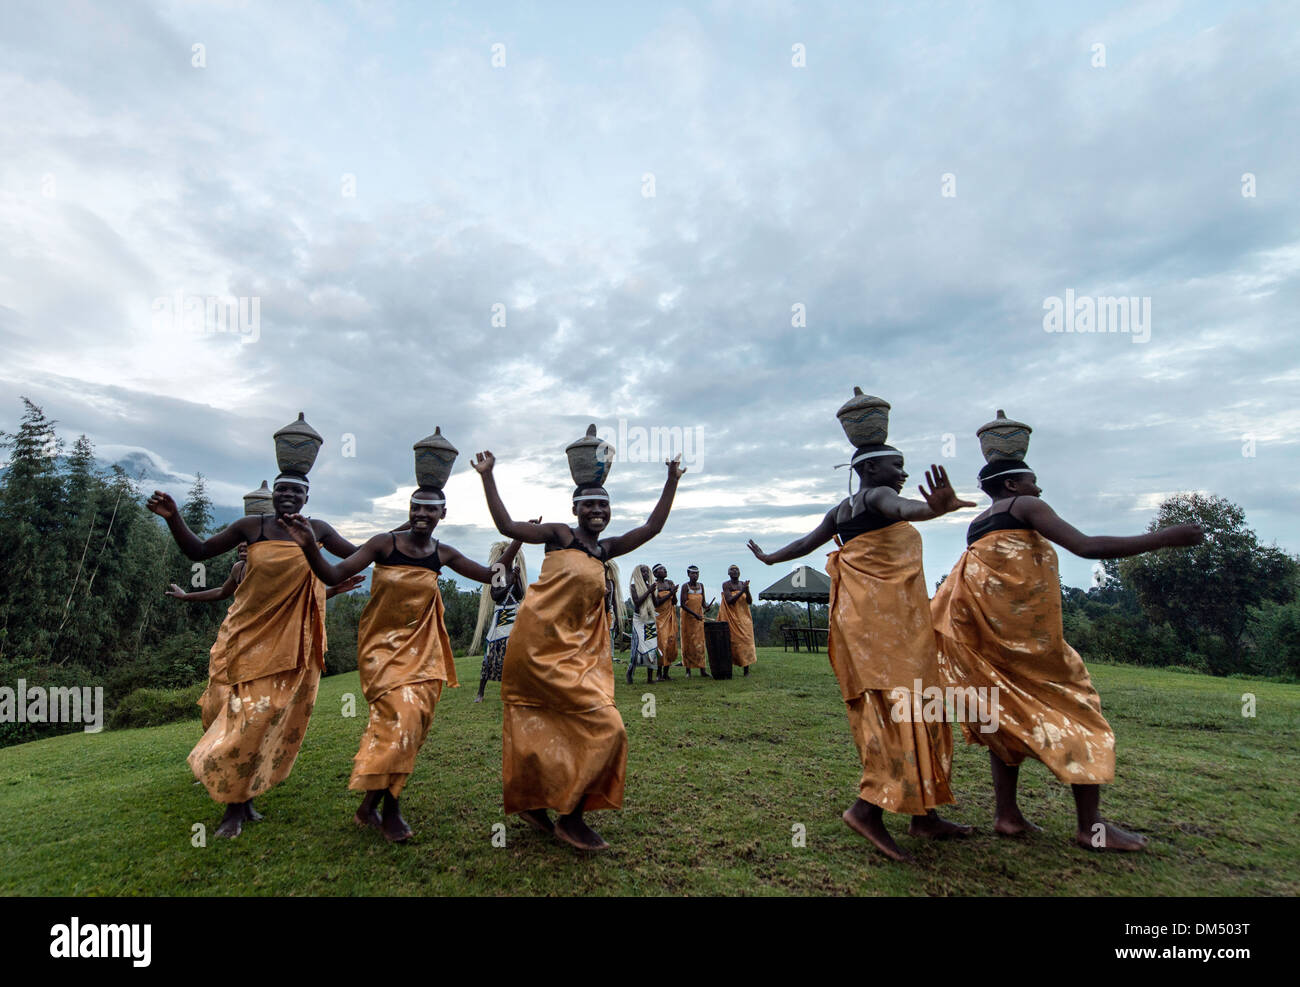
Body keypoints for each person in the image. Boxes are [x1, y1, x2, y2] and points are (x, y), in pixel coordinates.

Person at [931, 455, 1204, 852]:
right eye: (1032, 481)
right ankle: (1091, 829)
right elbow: (1086, 546)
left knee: (1003, 723)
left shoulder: (978, 525)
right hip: (1032, 650)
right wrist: (1163, 538)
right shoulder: (1025, 506)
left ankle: (1007, 816)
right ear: (1011, 486)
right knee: (1082, 714)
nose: (1039, 489)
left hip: (994, 644)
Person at [747, 443, 975, 862]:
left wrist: (768, 558)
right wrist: (935, 511)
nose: (903, 472)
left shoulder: (841, 510)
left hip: (878, 625)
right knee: (904, 710)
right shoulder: (876, 496)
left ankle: (923, 816)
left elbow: (803, 544)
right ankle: (866, 811)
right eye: (896, 465)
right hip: (884, 629)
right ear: (870, 468)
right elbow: (906, 507)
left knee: (910, 708)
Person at [473, 446, 685, 851]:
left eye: (602, 505)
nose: (596, 511)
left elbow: (652, 528)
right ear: (575, 509)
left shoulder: (605, 552)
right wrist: (487, 476)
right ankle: (563, 817)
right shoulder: (558, 536)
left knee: (604, 725)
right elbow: (506, 524)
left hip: (575, 656)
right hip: (535, 650)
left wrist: (671, 481)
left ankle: (552, 807)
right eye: (588, 505)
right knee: (540, 724)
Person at [278, 487, 511, 842]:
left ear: (442, 515)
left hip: (423, 653)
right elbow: (332, 573)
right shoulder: (383, 544)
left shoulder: (441, 553)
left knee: (408, 727)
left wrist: (515, 545)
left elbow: (489, 576)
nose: (421, 514)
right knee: (401, 720)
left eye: (429, 510)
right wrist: (310, 545)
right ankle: (392, 812)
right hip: (381, 652)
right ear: (409, 509)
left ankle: (368, 807)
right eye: (415, 507)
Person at [147, 474, 357, 839]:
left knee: (269, 716)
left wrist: (412, 529)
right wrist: (173, 518)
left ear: (307, 497)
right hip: (248, 639)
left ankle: (243, 798)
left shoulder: (318, 529)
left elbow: (366, 554)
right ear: (273, 496)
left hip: (293, 642)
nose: (288, 495)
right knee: (253, 717)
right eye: (282, 489)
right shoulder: (251, 526)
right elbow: (198, 551)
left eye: (296, 490)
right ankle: (232, 808)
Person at [165, 544, 361, 729]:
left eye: (248, 540)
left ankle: (250, 730)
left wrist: (333, 590)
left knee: (257, 687)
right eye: (239, 541)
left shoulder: (274, 571)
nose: (242, 545)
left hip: (262, 638)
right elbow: (222, 592)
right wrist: (186, 596)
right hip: (232, 634)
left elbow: (301, 600)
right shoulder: (238, 569)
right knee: (220, 686)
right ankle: (220, 729)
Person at [470, 530, 533, 703]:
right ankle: (480, 693)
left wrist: (517, 578)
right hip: (501, 617)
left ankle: (518, 687)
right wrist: (510, 582)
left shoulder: (515, 573)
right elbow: (495, 595)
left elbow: (520, 595)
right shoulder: (498, 574)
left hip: (514, 614)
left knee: (517, 651)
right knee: (491, 653)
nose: (510, 559)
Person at [720, 565, 757, 675]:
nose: (735, 571)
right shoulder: (726, 585)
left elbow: (749, 601)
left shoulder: (742, 584)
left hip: (744, 617)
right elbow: (730, 600)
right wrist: (742, 591)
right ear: (728, 573)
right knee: (732, 642)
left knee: (746, 642)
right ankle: (728, 669)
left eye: (737, 569)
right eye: (732, 569)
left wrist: (747, 590)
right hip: (731, 617)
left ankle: (746, 670)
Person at [628, 564, 661, 685]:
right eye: (643, 572)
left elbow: (656, 604)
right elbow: (637, 603)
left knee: (651, 648)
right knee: (636, 648)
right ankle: (630, 674)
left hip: (650, 620)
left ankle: (649, 678)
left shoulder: (650, 586)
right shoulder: (633, 587)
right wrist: (649, 591)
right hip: (639, 620)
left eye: (647, 572)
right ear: (638, 574)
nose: (646, 574)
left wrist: (652, 592)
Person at [679, 565, 709, 677]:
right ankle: (688, 670)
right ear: (688, 574)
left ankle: (702, 669)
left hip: (698, 619)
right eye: (693, 573)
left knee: (700, 643)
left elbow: (703, 603)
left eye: (697, 573)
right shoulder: (685, 587)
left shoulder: (701, 586)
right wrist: (694, 614)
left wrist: (707, 607)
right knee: (688, 643)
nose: (695, 575)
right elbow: (682, 604)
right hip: (688, 619)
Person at [652, 564, 678, 681]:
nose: (665, 570)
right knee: (661, 644)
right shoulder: (654, 585)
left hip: (670, 616)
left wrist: (673, 593)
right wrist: (670, 593)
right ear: (655, 573)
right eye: (661, 569)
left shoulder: (670, 583)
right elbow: (656, 603)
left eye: (665, 569)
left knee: (670, 643)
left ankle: (666, 673)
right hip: (659, 618)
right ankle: (658, 672)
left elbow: (674, 601)